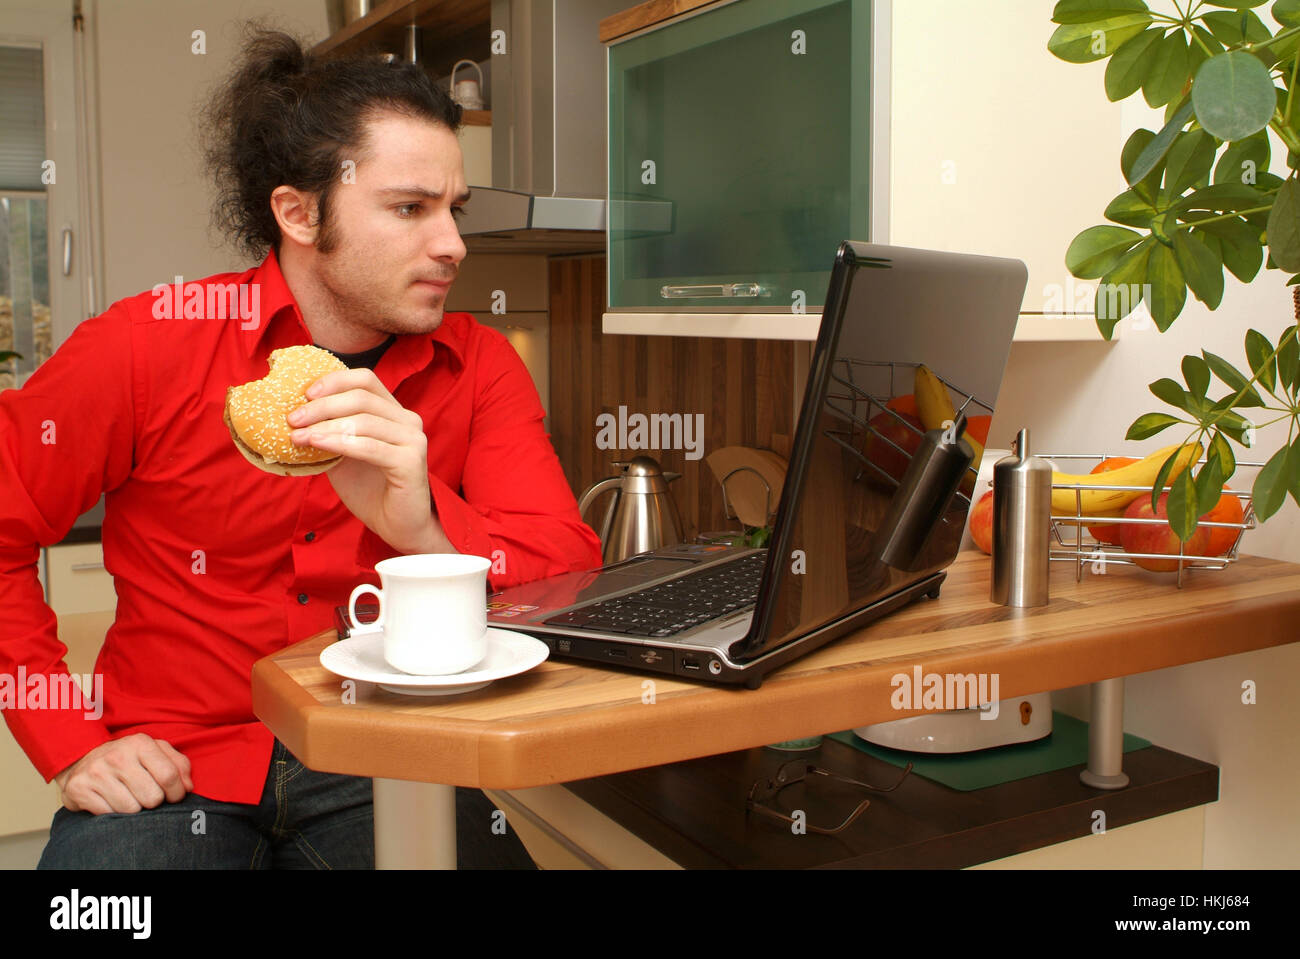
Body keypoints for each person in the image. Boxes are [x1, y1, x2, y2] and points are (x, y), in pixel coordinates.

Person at [0, 25, 602, 869]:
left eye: (454, 209)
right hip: (172, 766)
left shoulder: (482, 366)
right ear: (297, 212)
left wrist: (426, 522)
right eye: (409, 208)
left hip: (390, 754)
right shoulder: (144, 347)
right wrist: (70, 742)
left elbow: (566, 574)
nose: (454, 245)